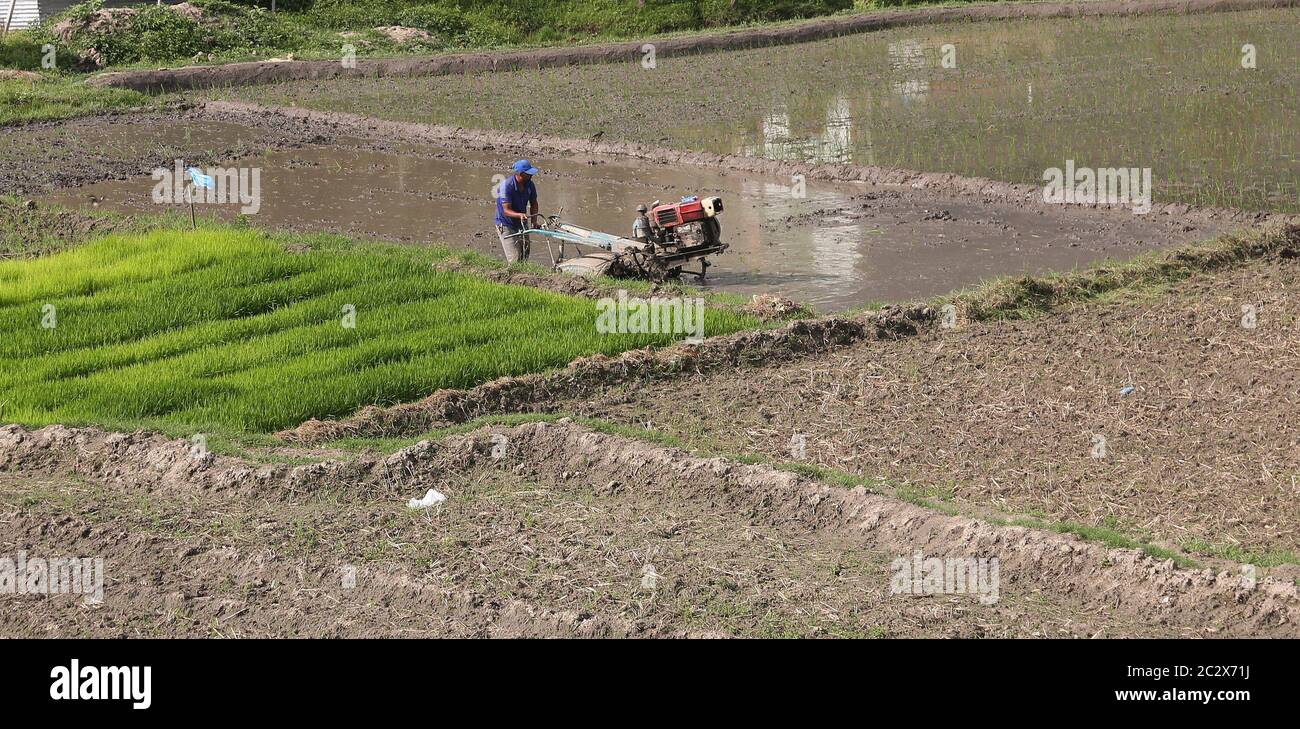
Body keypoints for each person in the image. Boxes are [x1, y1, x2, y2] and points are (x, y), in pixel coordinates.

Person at [494, 159, 540, 263]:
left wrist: (534, 221)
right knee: (515, 258)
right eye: (529, 174)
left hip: (521, 222)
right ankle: (512, 277)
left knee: (525, 254)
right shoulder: (506, 187)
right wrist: (520, 215)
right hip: (506, 224)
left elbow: (534, 203)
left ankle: (523, 276)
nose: (531, 176)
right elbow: (506, 211)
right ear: (521, 174)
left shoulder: (530, 185)